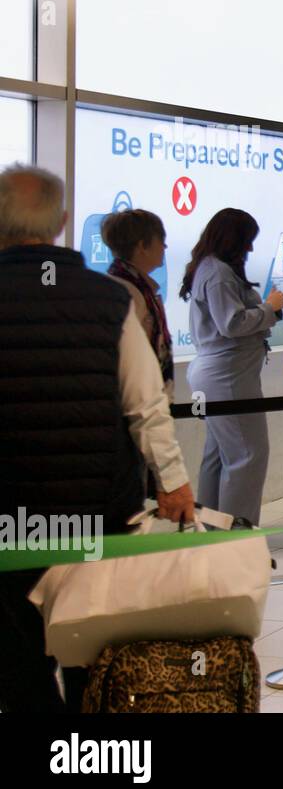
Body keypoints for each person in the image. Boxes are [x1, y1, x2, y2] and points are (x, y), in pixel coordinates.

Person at [0, 165, 195, 713]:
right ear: (63, 222)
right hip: (96, 510)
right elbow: (145, 404)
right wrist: (174, 483)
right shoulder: (107, 300)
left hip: (9, 513)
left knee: (17, 654)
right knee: (91, 645)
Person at [181, 208, 282, 524]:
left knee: (218, 457)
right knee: (247, 457)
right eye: (247, 241)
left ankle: (213, 531)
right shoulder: (219, 273)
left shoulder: (209, 268)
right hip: (227, 377)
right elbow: (232, 323)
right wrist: (270, 308)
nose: (250, 249)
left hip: (220, 375)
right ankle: (237, 538)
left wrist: (270, 309)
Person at [101, 208, 174, 394]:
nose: (164, 248)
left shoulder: (135, 287)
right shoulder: (127, 291)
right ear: (142, 246)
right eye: (161, 241)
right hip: (137, 400)